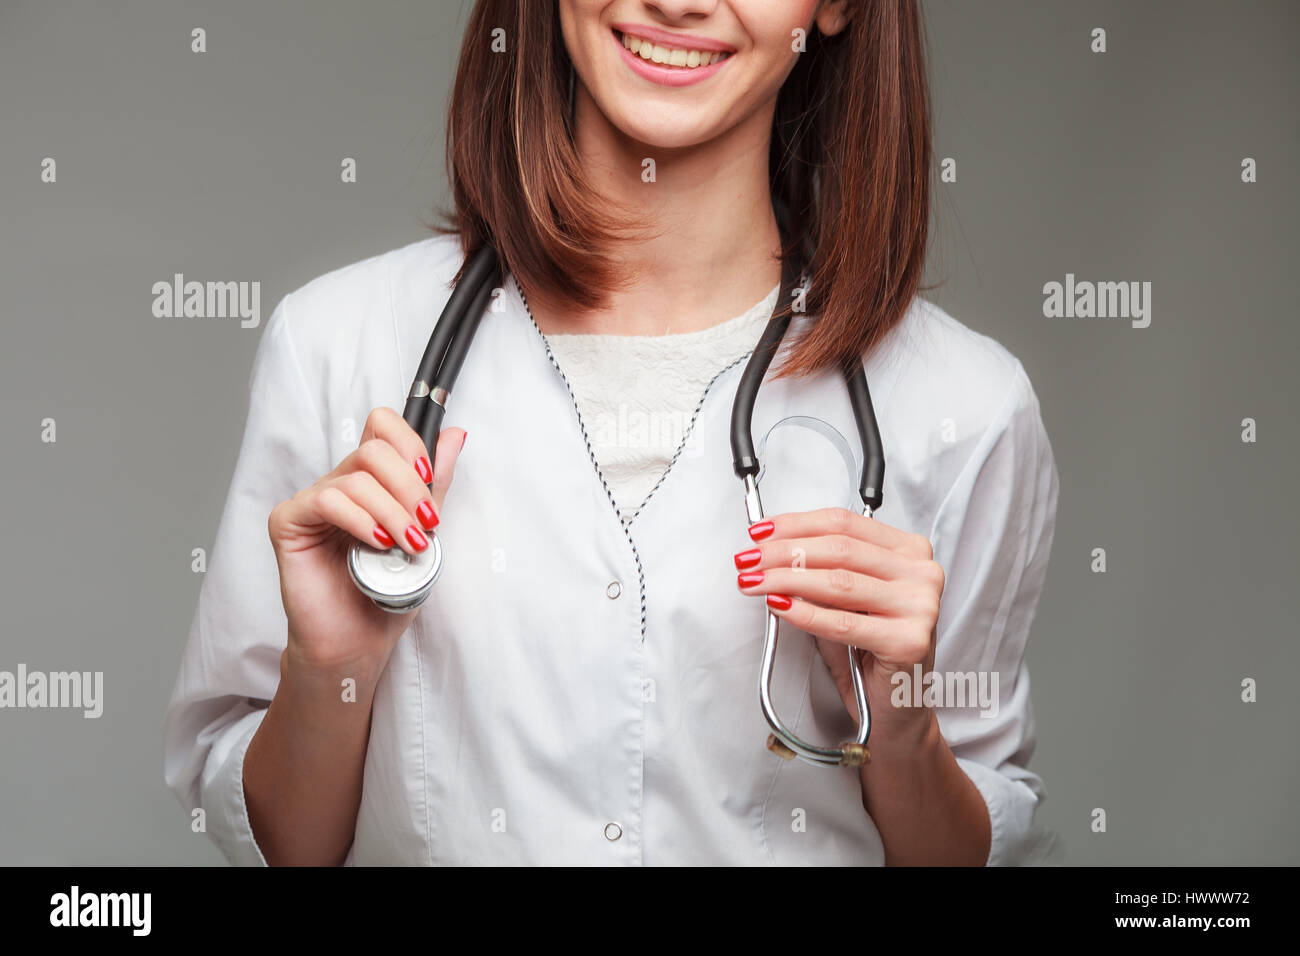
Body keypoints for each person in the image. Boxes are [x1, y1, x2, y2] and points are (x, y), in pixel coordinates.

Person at [164, 0, 1061, 866]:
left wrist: (900, 729)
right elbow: (287, 848)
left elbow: (965, 850)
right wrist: (330, 672)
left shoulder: (966, 409)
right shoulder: (336, 344)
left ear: (837, 5)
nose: (675, 3)